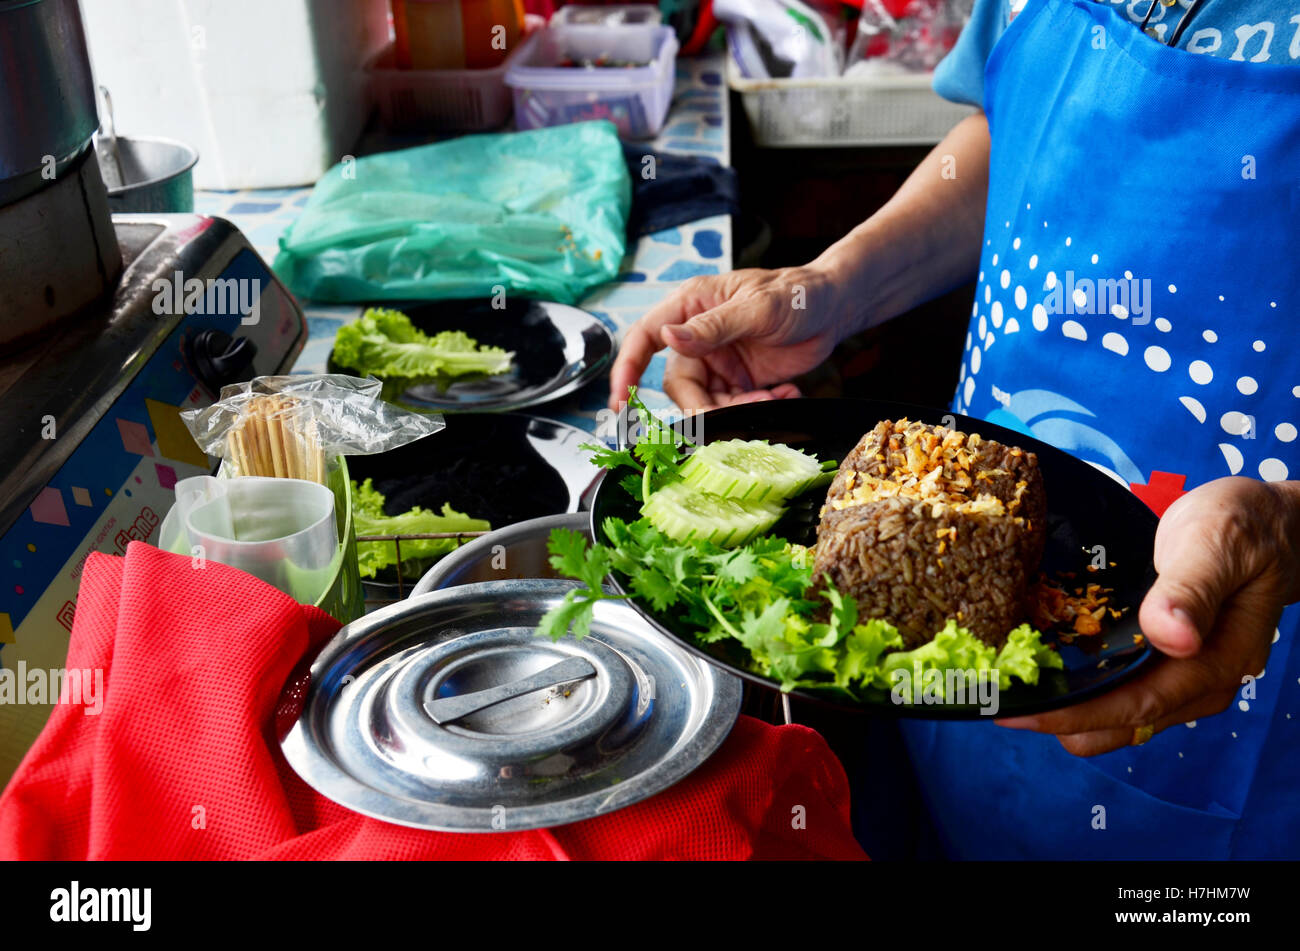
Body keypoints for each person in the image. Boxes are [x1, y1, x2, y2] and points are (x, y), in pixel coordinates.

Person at [607, 0, 1300, 858]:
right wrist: (836, 288)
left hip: (1233, 692)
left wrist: (1287, 528)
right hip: (953, 632)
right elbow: (1019, 132)